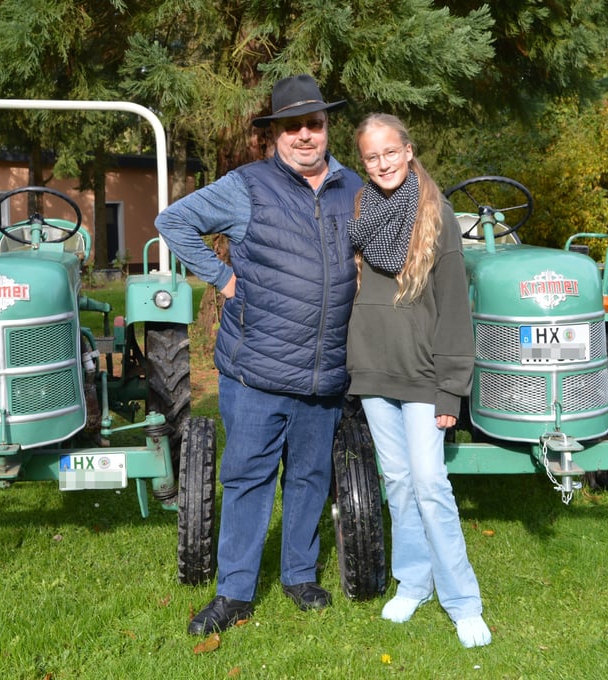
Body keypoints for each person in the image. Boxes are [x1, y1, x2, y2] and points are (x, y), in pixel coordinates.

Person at [155, 74, 364, 635]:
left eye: (313, 124)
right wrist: (224, 280)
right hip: (256, 372)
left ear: (327, 128)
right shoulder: (246, 186)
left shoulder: (354, 189)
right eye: (291, 126)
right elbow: (173, 222)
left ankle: (299, 576)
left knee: (309, 477)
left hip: (325, 370)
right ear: (274, 133)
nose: (304, 135)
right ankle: (235, 592)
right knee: (247, 477)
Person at [345, 113, 491, 648]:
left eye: (390, 152)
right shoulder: (360, 210)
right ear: (364, 162)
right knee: (399, 484)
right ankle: (414, 581)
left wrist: (452, 386)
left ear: (408, 151)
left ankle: (463, 601)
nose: (382, 163)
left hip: (425, 373)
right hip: (372, 368)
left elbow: (454, 306)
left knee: (431, 484)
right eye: (371, 156)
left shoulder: (437, 215)